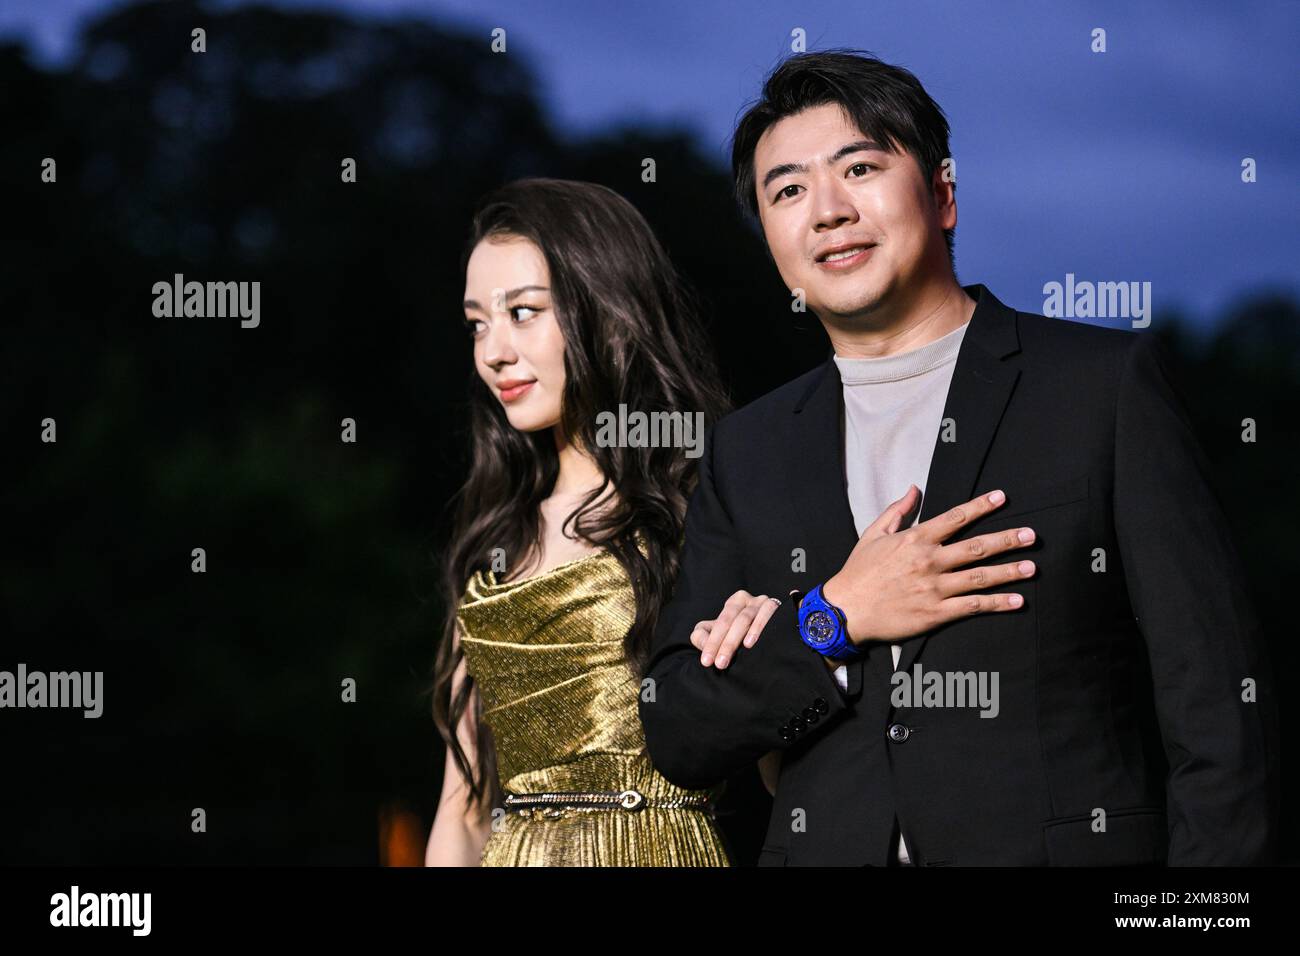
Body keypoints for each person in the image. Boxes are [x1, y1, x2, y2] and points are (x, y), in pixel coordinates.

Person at [639, 49, 1280, 866]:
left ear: (942, 193)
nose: (827, 211)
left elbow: (1218, 708)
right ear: (768, 233)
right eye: (789, 190)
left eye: (860, 168)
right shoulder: (748, 448)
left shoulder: (1101, 390)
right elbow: (679, 729)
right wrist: (831, 618)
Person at [425, 178, 734, 866]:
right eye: (477, 322)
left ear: (610, 312)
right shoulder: (491, 543)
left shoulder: (704, 509)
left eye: (523, 312)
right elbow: (462, 809)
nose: (492, 351)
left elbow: (777, 751)